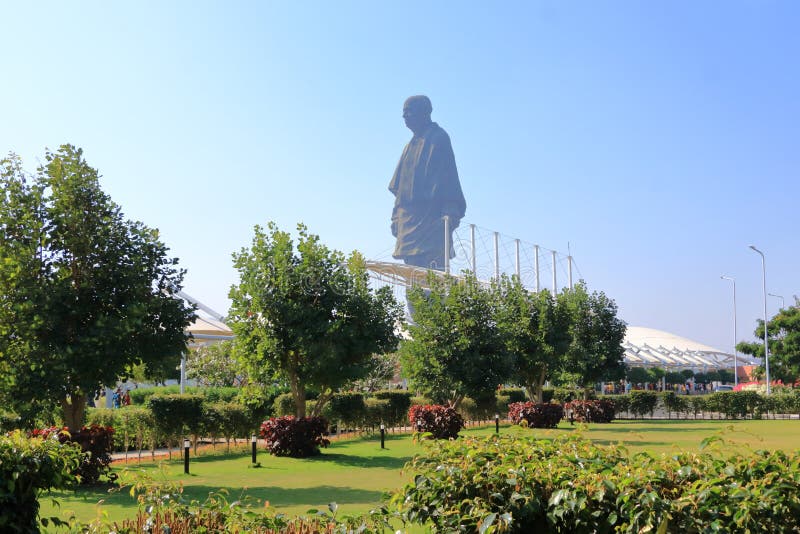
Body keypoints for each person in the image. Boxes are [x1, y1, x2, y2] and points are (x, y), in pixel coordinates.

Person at [389, 95, 466, 271]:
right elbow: (399, 190)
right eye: (404, 112)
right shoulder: (408, 147)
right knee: (412, 278)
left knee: (433, 276)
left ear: (424, 112)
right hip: (409, 222)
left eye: (410, 111)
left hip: (432, 219)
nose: (405, 116)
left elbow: (449, 180)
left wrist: (450, 210)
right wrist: (396, 216)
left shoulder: (439, 138)